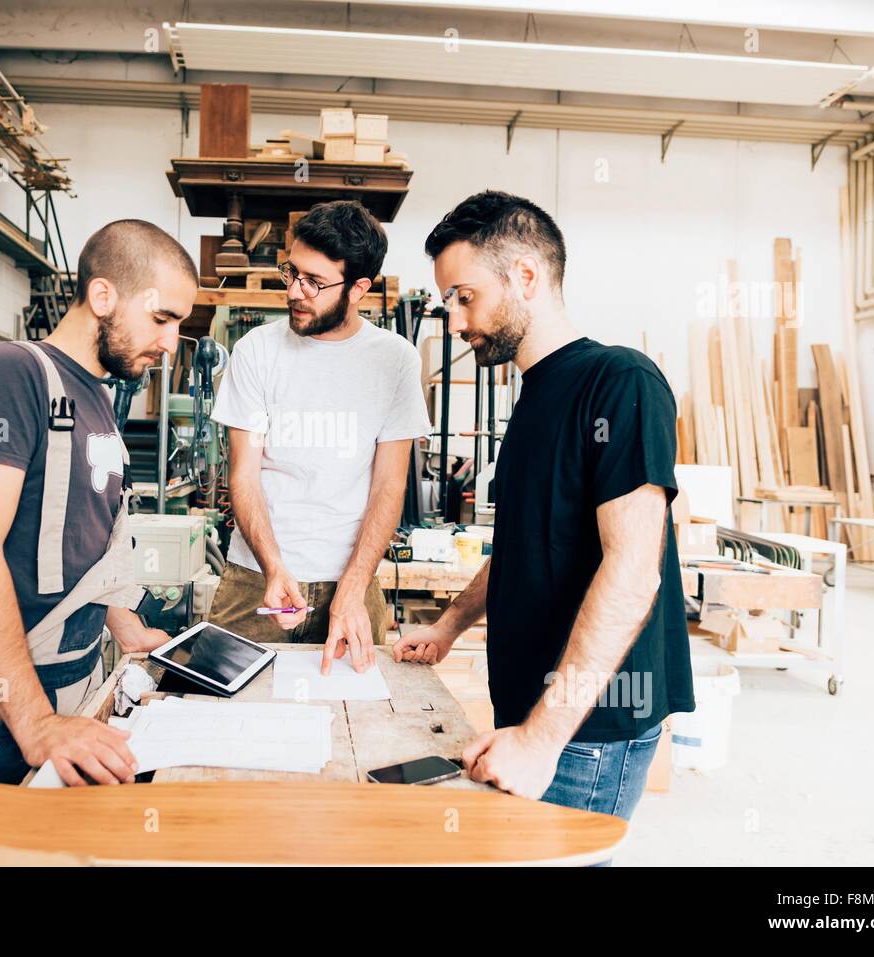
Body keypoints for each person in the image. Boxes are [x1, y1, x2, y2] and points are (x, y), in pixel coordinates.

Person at [394, 191, 694, 821]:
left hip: (587, 730)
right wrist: (450, 625)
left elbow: (635, 573)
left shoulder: (619, 381)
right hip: (534, 714)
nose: (455, 321)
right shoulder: (533, 396)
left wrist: (542, 737)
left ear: (525, 275)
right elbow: (525, 547)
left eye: (464, 297)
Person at [0, 219, 197, 786]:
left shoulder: (95, 396)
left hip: (70, 680)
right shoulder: (10, 376)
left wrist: (125, 626)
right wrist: (36, 721)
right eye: (162, 318)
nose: (170, 343)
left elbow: (80, 544)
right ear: (102, 296)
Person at [209, 200, 431, 674]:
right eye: (292, 272)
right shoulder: (255, 352)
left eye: (315, 282)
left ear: (359, 289)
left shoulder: (395, 361)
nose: (295, 291)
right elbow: (243, 476)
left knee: (360, 724)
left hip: (352, 577)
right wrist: (273, 566)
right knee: (225, 714)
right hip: (256, 577)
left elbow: (389, 486)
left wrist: (352, 588)